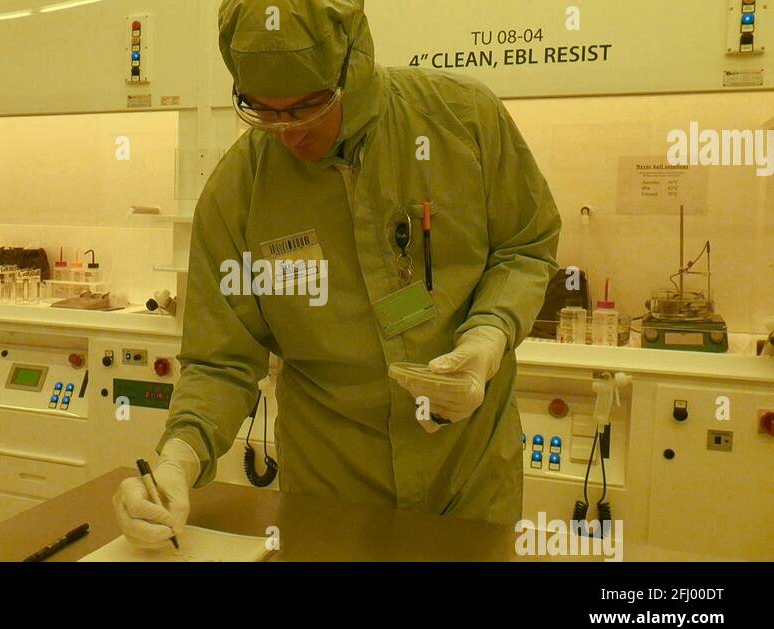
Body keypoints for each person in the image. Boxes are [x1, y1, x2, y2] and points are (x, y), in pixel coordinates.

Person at [113, 0, 561, 548]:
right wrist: (178, 462)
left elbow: (526, 244)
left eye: (307, 107)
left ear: (356, 65)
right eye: (263, 110)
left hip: (468, 472)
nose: (288, 134)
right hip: (330, 488)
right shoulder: (240, 193)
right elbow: (220, 361)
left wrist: (489, 336)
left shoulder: (462, 121)